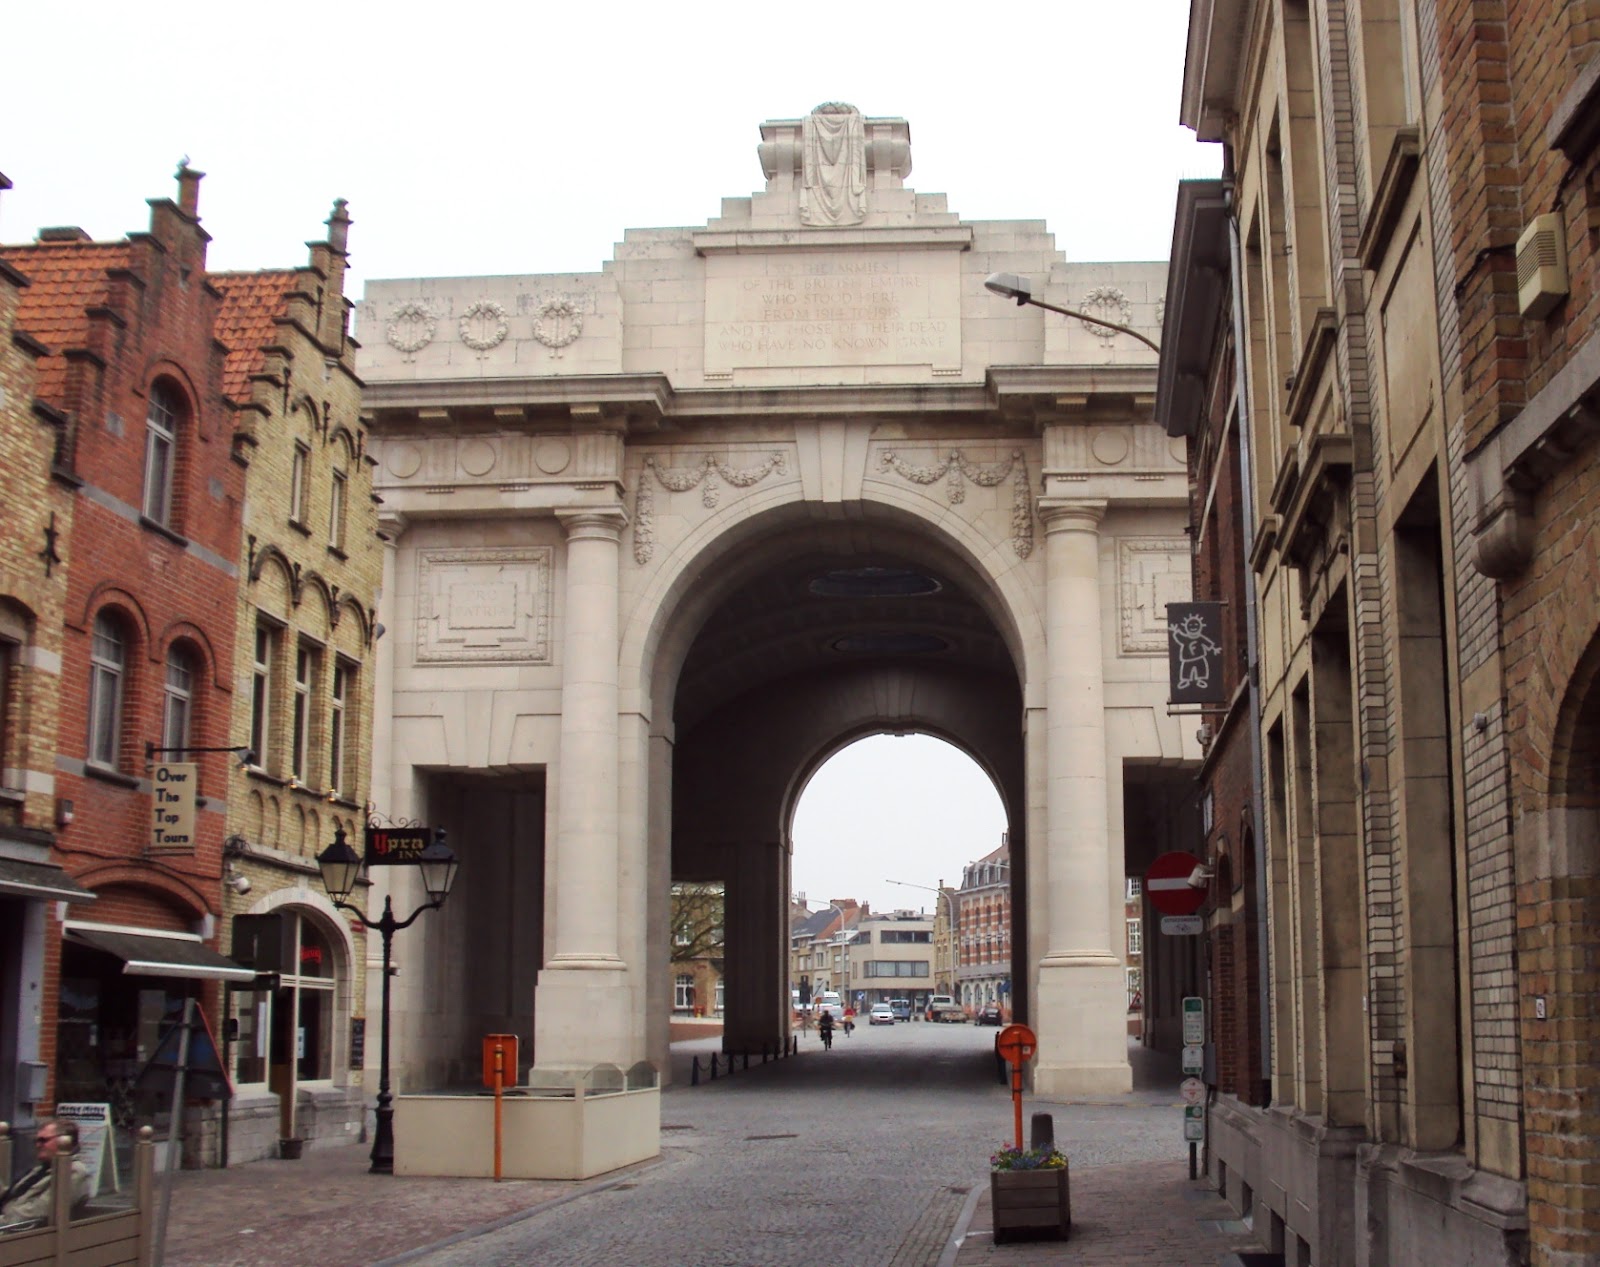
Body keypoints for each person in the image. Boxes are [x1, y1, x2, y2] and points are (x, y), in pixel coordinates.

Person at [0, 1120, 91, 1228]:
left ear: (66, 1141)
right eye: (36, 1140)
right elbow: (12, 1196)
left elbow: (37, 1213)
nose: (38, 1145)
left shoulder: (74, 1172)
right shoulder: (40, 1169)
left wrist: (3, 1220)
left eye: (43, 1140)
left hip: (25, 1235)